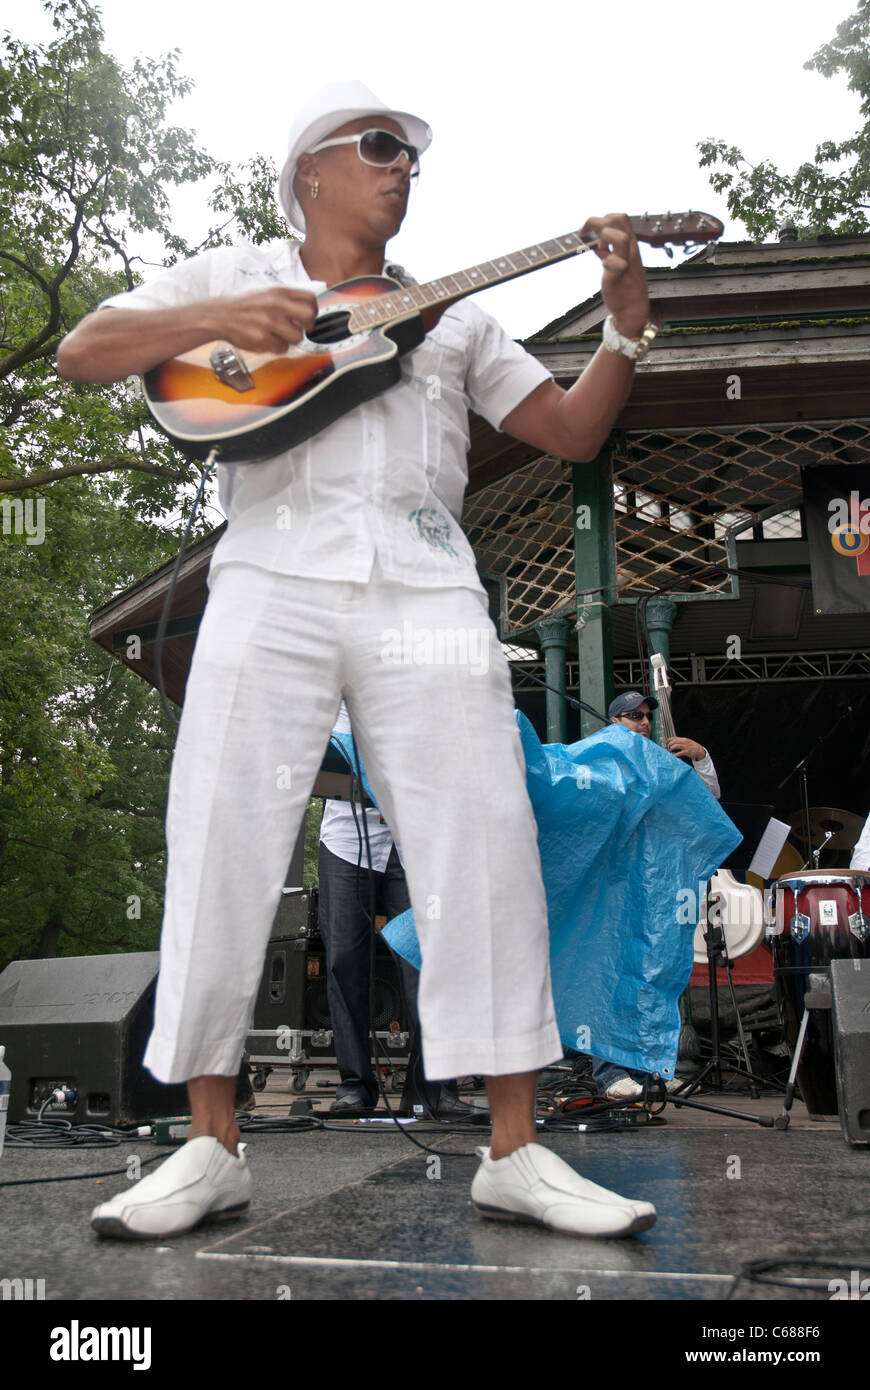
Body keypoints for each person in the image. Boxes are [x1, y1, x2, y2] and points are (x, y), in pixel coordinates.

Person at [57, 80, 660, 1241]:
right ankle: (208, 1143)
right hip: (269, 572)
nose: (402, 167)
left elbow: (577, 431)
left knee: (484, 837)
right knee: (221, 826)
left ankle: (517, 1151)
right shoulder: (233, 271)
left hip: (427, 580)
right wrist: (220, 324)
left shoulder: (460, 318)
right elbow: (89, 350)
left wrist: (623, 313)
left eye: (411, 157)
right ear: (312, 172)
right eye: (381, 146)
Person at [318, 703, 470, 1118]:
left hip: (414, 842)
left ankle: (434, 1090)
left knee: (427, 964)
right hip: (346, 842)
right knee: (344, 963)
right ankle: (355, 1086)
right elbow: (317, 756)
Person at [588, 689, 721, 1100]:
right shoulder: (602, 756)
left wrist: (700, 757)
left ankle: (649, 1071)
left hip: (652, 885)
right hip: (611, 884)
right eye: (633, 715)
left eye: (647, 715)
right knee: (611, 976)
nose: (644, 721)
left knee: (647, 978)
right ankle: (610, 1074)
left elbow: (709, 800)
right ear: (614, 722)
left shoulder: (662, 763)